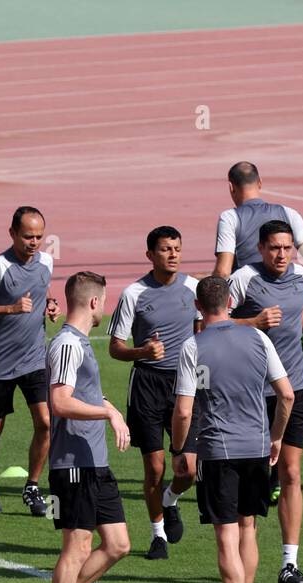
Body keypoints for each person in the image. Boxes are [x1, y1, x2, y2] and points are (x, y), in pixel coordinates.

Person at [171, 276, 293, 583]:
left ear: (197, 306)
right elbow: (287, 395)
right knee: (248, 529)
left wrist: (178, 449)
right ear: (230, 302)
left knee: (226, 536)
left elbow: (184, 410)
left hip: (218, 452)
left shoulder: (193, 346)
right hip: (256, 448)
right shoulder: (258, 338)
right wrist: (275, 437)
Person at [36, 271, 131, 583]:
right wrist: (107, 415)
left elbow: (86, 393)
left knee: (118, 544)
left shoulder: (80, 343)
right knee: (77, 547)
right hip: (73, 463)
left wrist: (110, 408)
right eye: (104, 301)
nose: (104, 307)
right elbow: (60, 402)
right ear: (94, 302)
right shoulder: (67, 344)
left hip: (95, 461)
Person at [227, 220, 303, 583]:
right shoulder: (243, 279)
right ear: (261, 248)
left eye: (287, 248)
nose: (281, 255)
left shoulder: (300, 277)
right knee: (252, 477)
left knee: (292, 473)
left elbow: (300, 310)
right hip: (253, 392)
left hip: (295, 388)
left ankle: (289, 564)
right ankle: (242, 558)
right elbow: (208, 324)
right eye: (274, 248)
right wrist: (253, 321)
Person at [107, 225, 199, 559]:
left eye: (177, 248)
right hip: (146, 384)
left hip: (184, 385)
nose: (173, 254)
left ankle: (170, 499)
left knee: (189, 469)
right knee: (155, 468)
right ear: (150, 254)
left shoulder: (194, 289)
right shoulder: (134, 293)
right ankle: (157, 534)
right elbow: (115, 347)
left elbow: (204, 332)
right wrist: (143, 351)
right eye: (165, 249)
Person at [0, 206, 60, 515]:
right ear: (12, 233)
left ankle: (32, 486)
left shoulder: (46, 262)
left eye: (39, 236)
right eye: (27, 236)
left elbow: (42, 289)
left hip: (34, 359)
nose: (34, 242)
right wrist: (10, 309)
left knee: (45, 422)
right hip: (1, 363)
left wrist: (51, 303)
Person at [213, 161, 303, 316]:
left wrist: (209, 309)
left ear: (231, 187)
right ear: (260, 183)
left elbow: (223, 271)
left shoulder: (230, 218)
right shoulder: (289, 213)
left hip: (250, 309)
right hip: (286, 305)